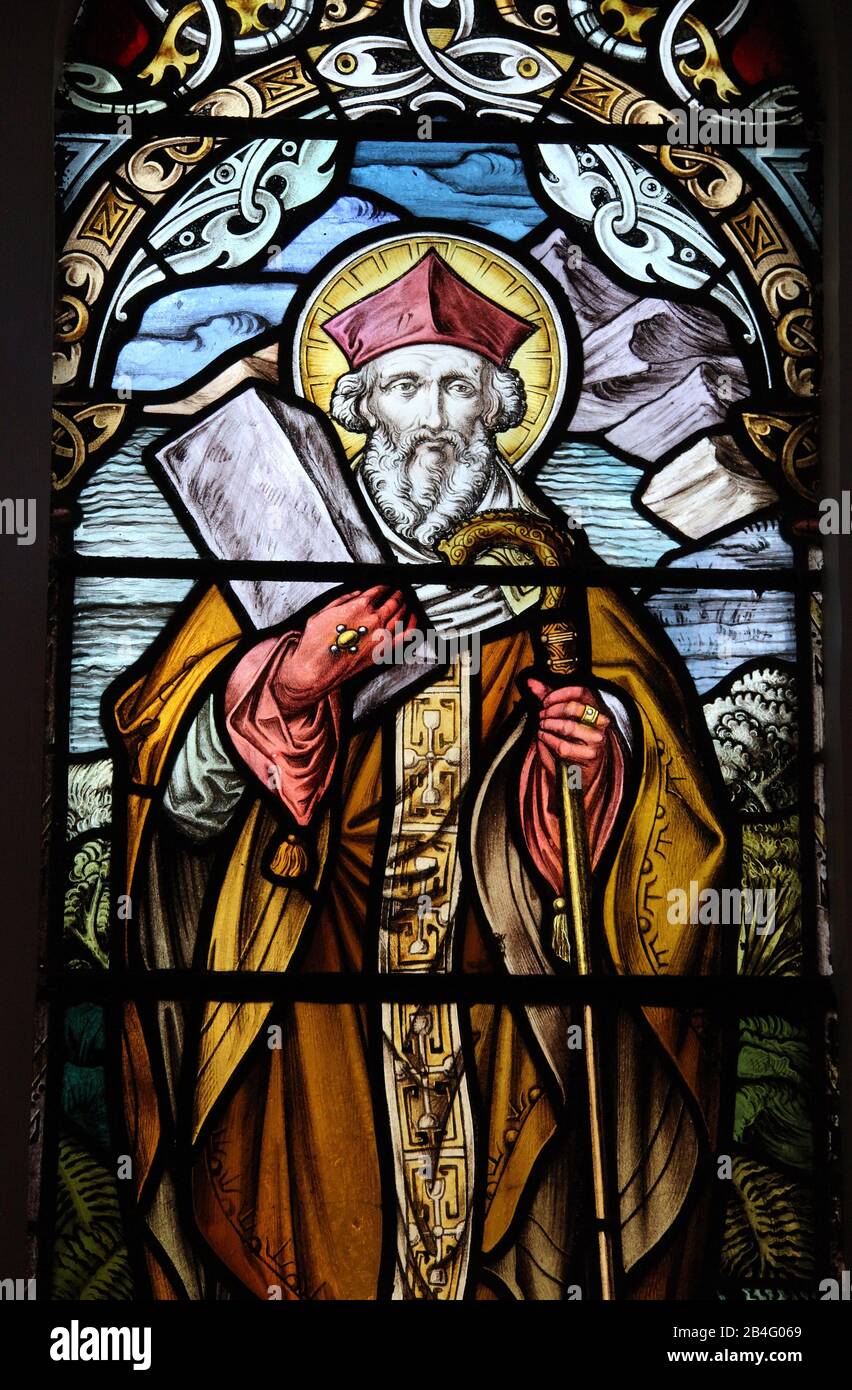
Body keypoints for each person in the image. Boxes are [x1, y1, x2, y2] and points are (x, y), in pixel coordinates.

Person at [114, 249, 729, 1300]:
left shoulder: (557, 577)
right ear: (359, 406)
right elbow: (170, 786)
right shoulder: (284, 565)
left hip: (509, 1007)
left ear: (498, 407)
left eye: (458, 386)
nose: (433, 414)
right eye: (405, 384)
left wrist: (602, 756)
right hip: (308, 993)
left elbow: (667, 776)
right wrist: (279, 688)